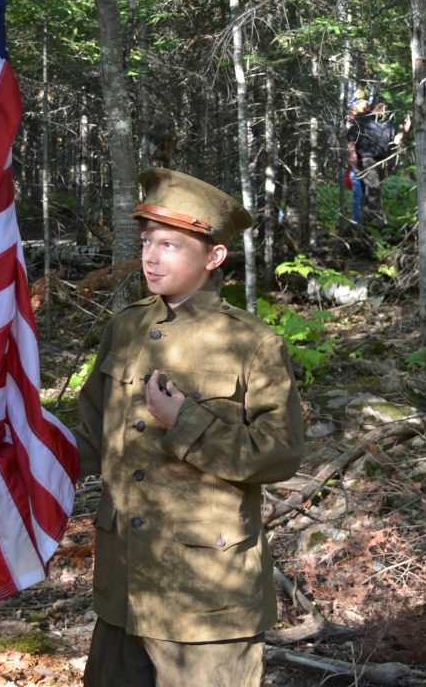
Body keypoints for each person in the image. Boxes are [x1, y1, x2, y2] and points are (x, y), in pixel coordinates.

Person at [75, 168, 306, 686]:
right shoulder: (126, 327)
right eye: (147, 242)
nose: (151, 257)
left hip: (207, 596)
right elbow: (92, 433)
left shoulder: (252, 343)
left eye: (171, 245)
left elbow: (280, 453)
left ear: (214, 256)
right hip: (124, 585)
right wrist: (18, 452)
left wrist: (185, 423)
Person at [346, 99, 409, 226]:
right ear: (373, 107)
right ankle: (378, 223)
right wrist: (352, 157)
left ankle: (365, 224)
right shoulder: (363, 120)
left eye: (385, 107)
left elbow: (396, 141)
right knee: (373, 189)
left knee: (370, 191)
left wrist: (404, 130)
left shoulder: (389, 124)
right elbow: (351, 140)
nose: (382, 109)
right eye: (380, 106)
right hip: (366, 159)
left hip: (382, 161)